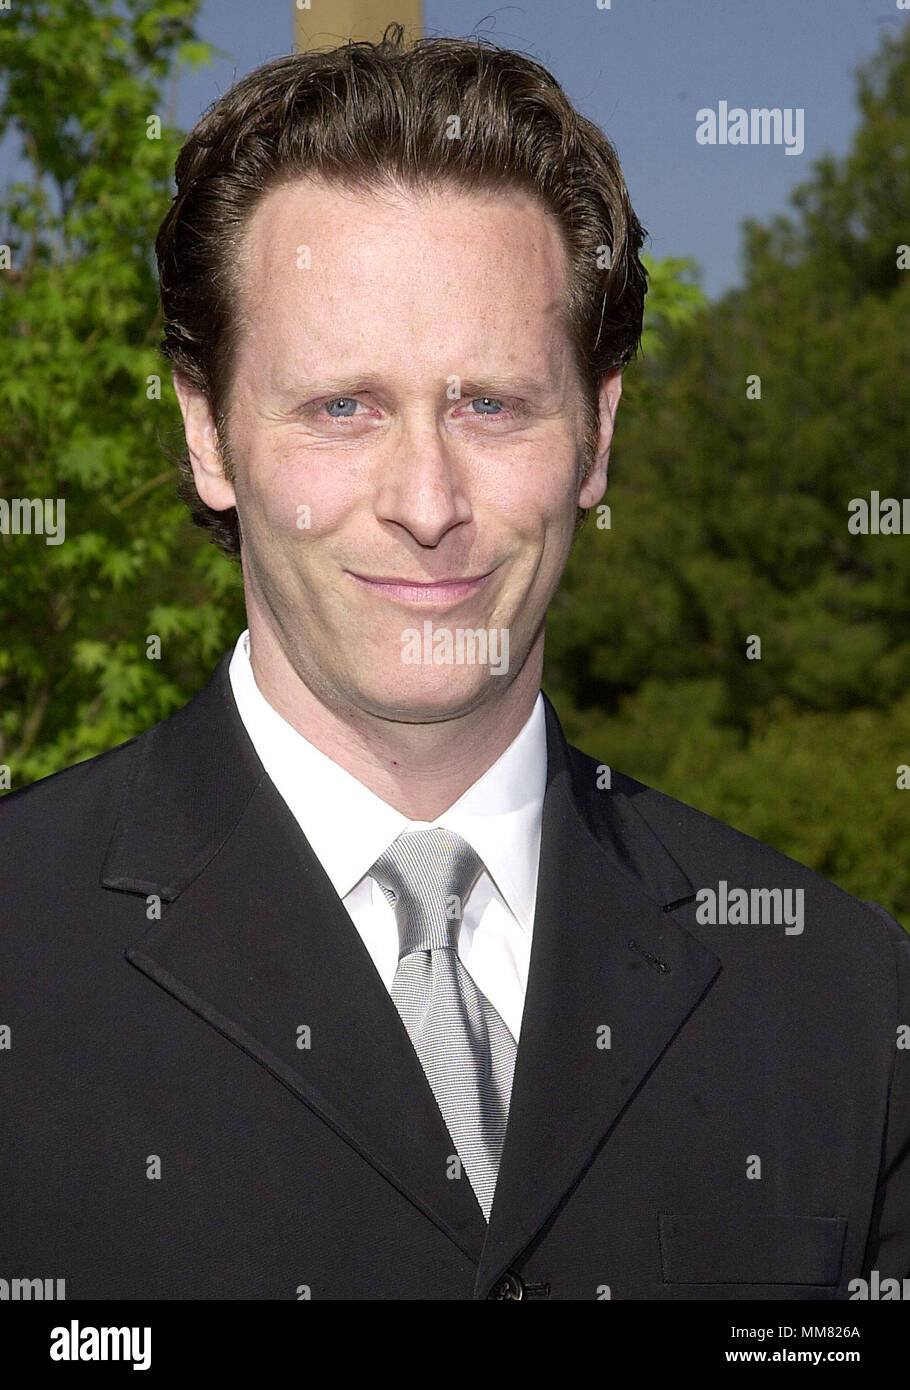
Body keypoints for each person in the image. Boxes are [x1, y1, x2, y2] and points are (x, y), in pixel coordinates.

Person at [2, 28, 908, 1302]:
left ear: (596, 438)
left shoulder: (845, 1002)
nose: (426, 500)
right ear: (208, 434)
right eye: (341, 407)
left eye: (491, 403)